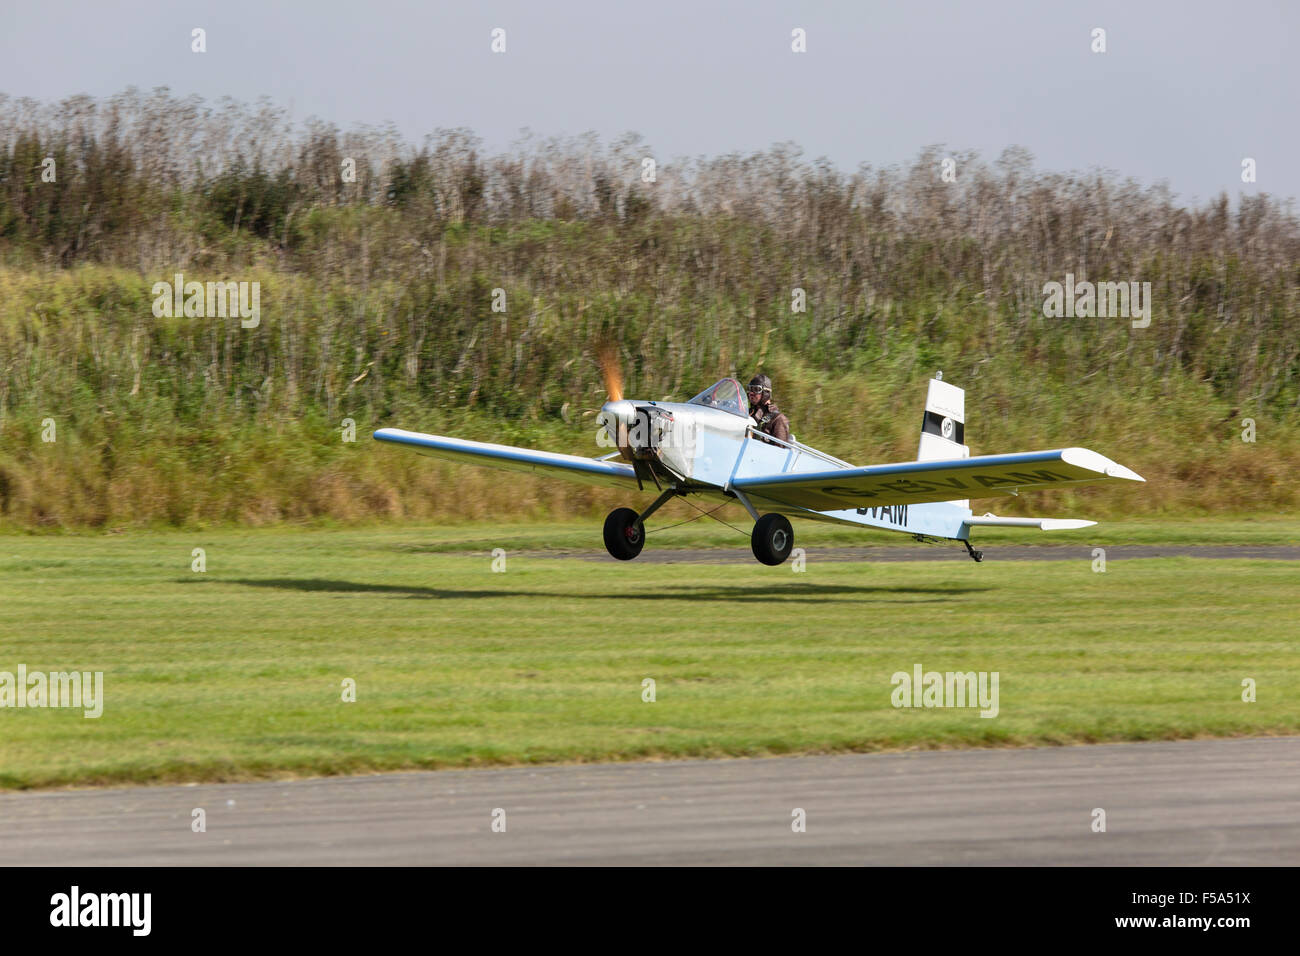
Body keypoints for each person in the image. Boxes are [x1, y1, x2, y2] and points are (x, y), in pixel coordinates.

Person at [746, 373, 790, 444]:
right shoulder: (747, 413)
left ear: (766, 392)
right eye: (749, 389)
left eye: (756, 389)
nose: (751, 393)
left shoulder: (778, 419)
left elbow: (780, 452)